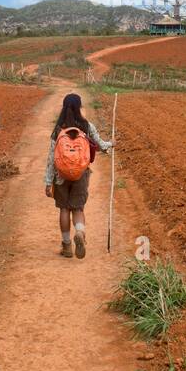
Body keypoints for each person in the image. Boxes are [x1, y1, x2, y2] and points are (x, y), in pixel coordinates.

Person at [43, 93, 112, 258]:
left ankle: (67, 246)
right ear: (80, 107)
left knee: (64, 209)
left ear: (63, 107)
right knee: (78, 208)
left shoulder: (58, 129)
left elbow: (51, 159)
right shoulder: (87, 126)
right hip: (81, 174)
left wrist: (47, 182)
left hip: (61, 176)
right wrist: (111, 144)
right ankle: (80, 232)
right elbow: (101, 146)